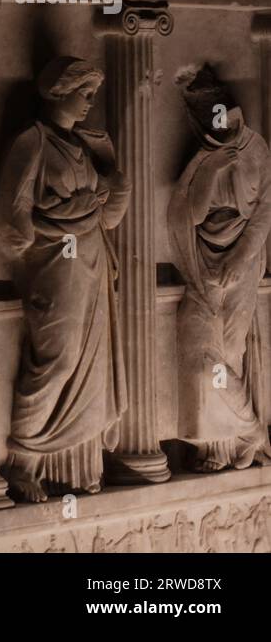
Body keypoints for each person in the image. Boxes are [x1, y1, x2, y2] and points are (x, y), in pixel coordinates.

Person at [0, 57, 130, 502]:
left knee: (86, 362)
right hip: (54, 268)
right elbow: (11, 225)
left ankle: (62, 458)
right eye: (84, 93)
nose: (90, 102)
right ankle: (22, 459)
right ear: (58, 91)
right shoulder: (31, 142)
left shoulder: (82, 146)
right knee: (57, 359)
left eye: (92, 94)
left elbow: (108, 218)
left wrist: (112, 176)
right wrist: (56, 230)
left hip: (90, 263)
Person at [168, 65, 271, 472]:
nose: (223, 125)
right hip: (202, 265)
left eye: (226, 116)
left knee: (231, 351)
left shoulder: (258, 151)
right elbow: (186, 216)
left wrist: (239, 257)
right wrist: (211, 168)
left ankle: (226, 443)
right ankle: (249, 430)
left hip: (242, 264)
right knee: (203, 357)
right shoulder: (202, 162)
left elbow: (264, 212)